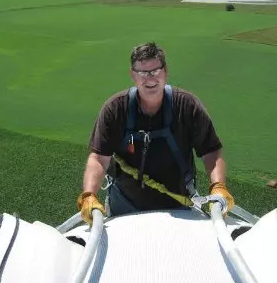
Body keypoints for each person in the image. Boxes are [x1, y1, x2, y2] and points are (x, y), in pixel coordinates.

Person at [77, 42, 235, 224]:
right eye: (142, 73)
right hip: (124, 207)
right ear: (132, 75)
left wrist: (218, 187)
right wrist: (89, 195)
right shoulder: (115, 109)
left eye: (155, 71)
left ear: (165, 70)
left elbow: (211, 152)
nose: (149, 78)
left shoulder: (187, 106)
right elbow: (98, 158)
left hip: (178, 206)